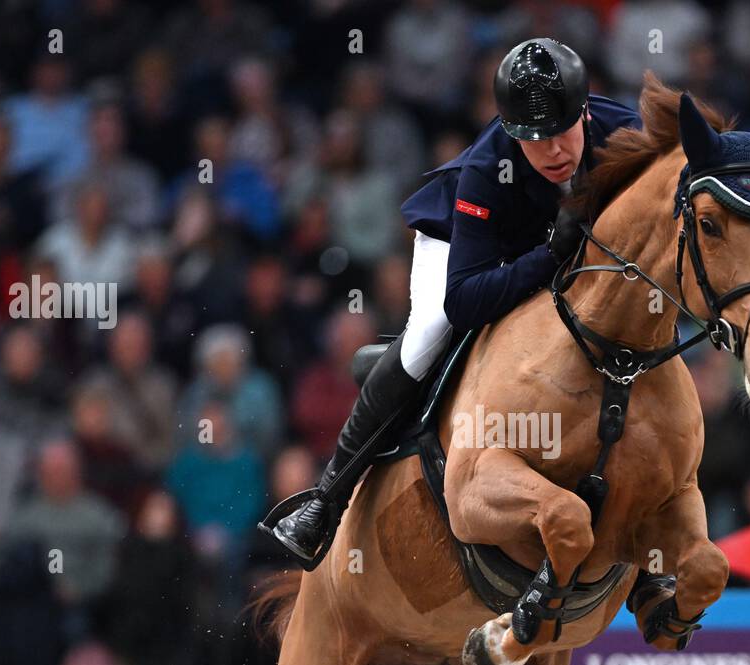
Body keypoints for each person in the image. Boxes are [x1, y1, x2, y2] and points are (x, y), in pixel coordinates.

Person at [269, 38, 640, 567]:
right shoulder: (488, 171)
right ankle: (326, 500)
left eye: (561, 132)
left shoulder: (623, 133)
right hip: (463, 247)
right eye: (534, 141)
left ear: (585, 111)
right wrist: (549, 256)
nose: (553, 151)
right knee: (430, 330)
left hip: (549, 247)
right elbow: (465, 300)